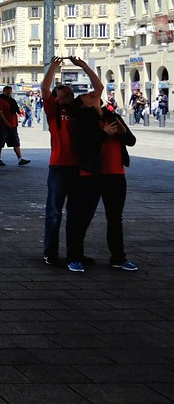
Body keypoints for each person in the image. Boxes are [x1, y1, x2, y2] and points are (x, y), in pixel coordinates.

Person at [66, 90, 137, 273]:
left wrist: (122, 133)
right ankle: (74, 257)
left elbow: (131, 141)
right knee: (82, 218)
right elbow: (82, 145)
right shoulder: (82, 120)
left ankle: (118, 258)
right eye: (88, 96)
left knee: (115, 218)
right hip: (92, 174)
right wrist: (104, 133)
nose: (94, 95)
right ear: (84, 105)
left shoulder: (112, 116)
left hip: (116, 173)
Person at [41, 56, 103, 267]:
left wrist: (84, 66)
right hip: (58, 167)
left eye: (67, 87)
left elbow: (98, 87)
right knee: (54, 212)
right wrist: (52, 68)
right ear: (57, 98)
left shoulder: (79, 108)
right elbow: (45, 89)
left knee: (75, 214)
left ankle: (74, 254)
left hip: (79, 168)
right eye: (61, 89)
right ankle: (50, 252)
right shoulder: (53, 111)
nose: (65, 88)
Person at [0, 85, 30, 166]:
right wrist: (6, 122)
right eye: (7, 90)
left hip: (13, 125)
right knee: (0, 143)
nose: (9, 92)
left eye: (10, 90)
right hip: (3, 126)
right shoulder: (0, 100)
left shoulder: (12, 100)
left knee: (16, 142)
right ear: (4, 91)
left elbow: (16, 111)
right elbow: (0, 113)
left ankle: (20, 159)